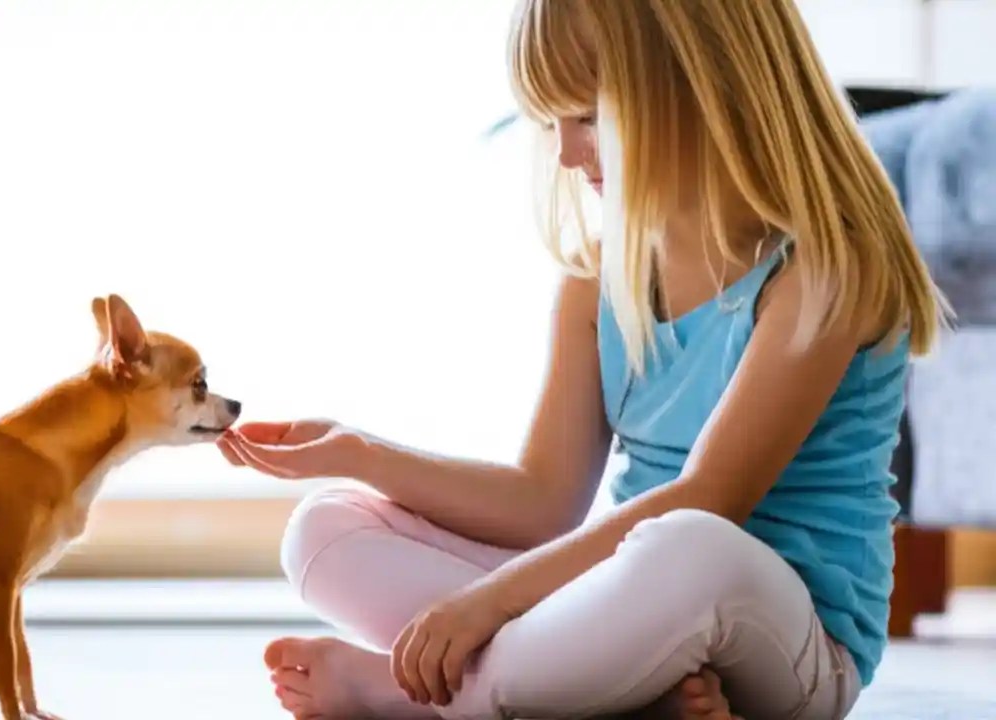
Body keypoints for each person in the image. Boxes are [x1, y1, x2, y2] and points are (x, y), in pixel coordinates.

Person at [216, 1, 950, 718]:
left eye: (589, 117)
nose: (567, 153)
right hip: (635, 601)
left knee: (691, 547)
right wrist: (362, 454)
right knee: (325, 530)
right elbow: (542, 500)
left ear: (706, 84)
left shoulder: (825, 271)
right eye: (553, 123)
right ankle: (624, 691)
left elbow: (708, 500)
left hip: (790, 647)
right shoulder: (601, 276)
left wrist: (488, 604)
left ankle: (419, 696)